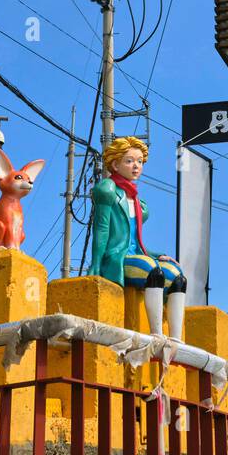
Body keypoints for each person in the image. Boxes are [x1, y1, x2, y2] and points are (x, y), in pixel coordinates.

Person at [89, 136, 187, 340]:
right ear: (115, 164)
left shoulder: (138, 203)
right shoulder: (106, 190)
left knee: (178, 276)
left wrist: (159, 254)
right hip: (117, 256)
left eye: (140, 161)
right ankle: (156, 334)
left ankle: (176, 339)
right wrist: (96, 264)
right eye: (129, 161)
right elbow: (102, 229)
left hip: (136, 254)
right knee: (154, 272)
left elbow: (135, 240)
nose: (136, 166)